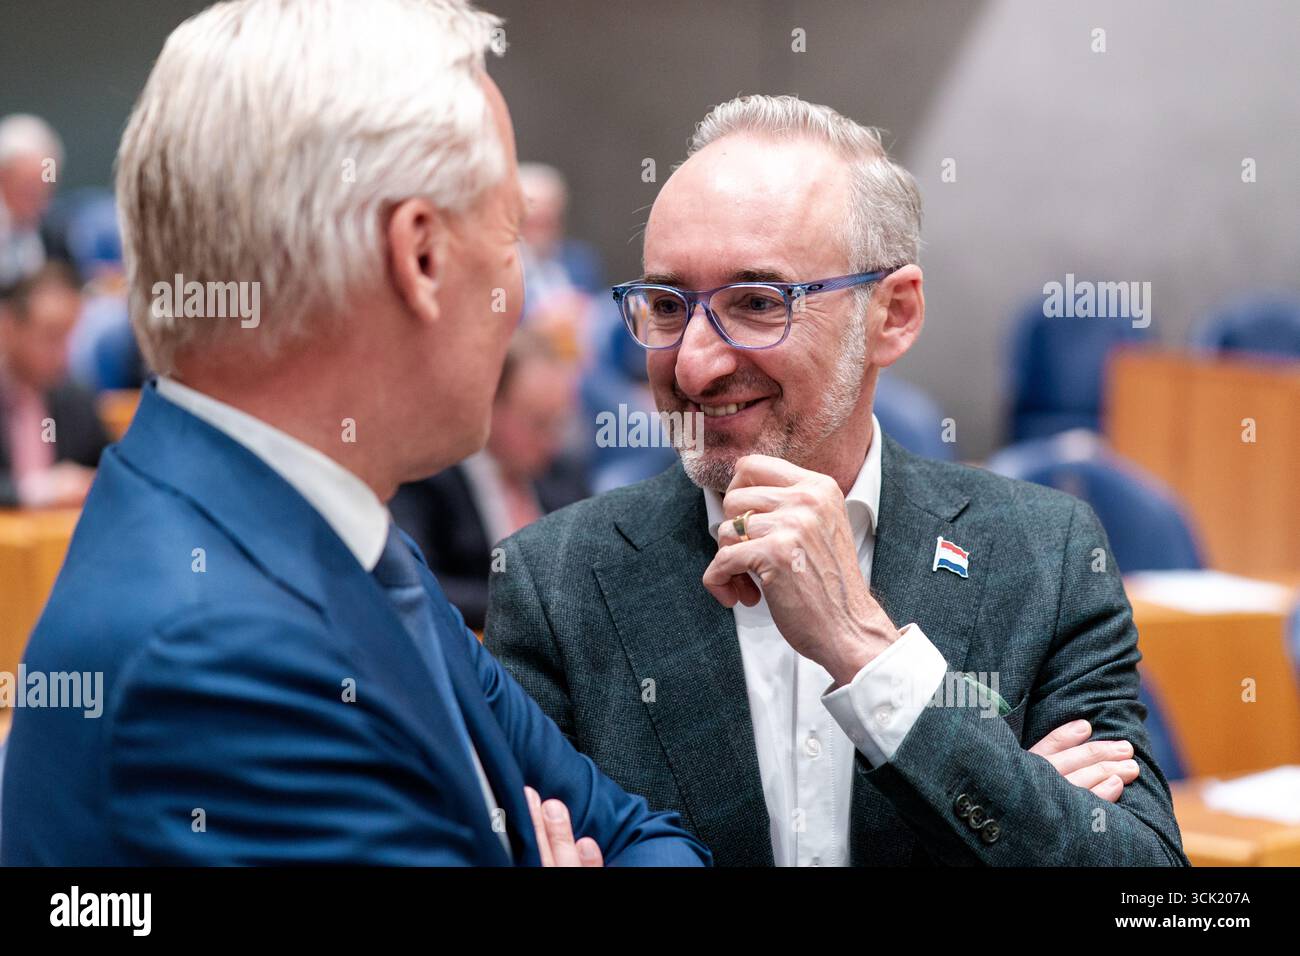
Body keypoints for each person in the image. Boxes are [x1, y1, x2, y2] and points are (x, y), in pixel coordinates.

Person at [0, 0, 708, 868]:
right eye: (508, 234)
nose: (523, 297)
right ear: (418, 257)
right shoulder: (224, 669)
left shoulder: (345, 534)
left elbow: (644, 837)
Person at [486, 95, 1188, 866]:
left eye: (757, 302)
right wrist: (1017, 796)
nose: (692, 362)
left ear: (892, 314)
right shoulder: (554, 582)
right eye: (665, 305)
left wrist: (869, 654)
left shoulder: (1044, 554)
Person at [391, 328, 589, 630]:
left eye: (559, 423)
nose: (552, 441)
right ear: (489, 406)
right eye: (538, 423)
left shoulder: (562, 473)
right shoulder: (428, 476)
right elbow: (419, 586)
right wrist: (532, 610)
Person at [0, 263, 107, 508]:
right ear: (8, 328)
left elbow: (111, 473)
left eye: (69, 335)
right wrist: (34, 490)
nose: (63, 353)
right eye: (51, 336)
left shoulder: (76, 399)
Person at [0, 115, 63, 287]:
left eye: (45, 188)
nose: (38, 198)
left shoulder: (52, 230)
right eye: (28, 186)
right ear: (3, 177)